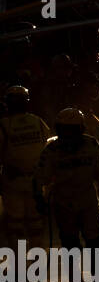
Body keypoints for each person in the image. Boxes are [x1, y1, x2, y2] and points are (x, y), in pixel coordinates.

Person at [32, 108, 99, 282]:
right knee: (71, 246)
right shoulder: (51, 150)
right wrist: (39, 198)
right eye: (65, 130)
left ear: (80, 129)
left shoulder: (91, 144)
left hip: (88, 199)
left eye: (72, 130)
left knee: (96, 243)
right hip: (64, 202)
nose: (68, 135)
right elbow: (39, 177)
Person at [0, 86, 52, 252]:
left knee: (18, 224)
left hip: (17, 181)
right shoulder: (37, 121)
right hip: (28, 180)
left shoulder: (4, 125)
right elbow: (48, 147)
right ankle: (34, 261)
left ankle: (22, 262)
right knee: (32, 222)